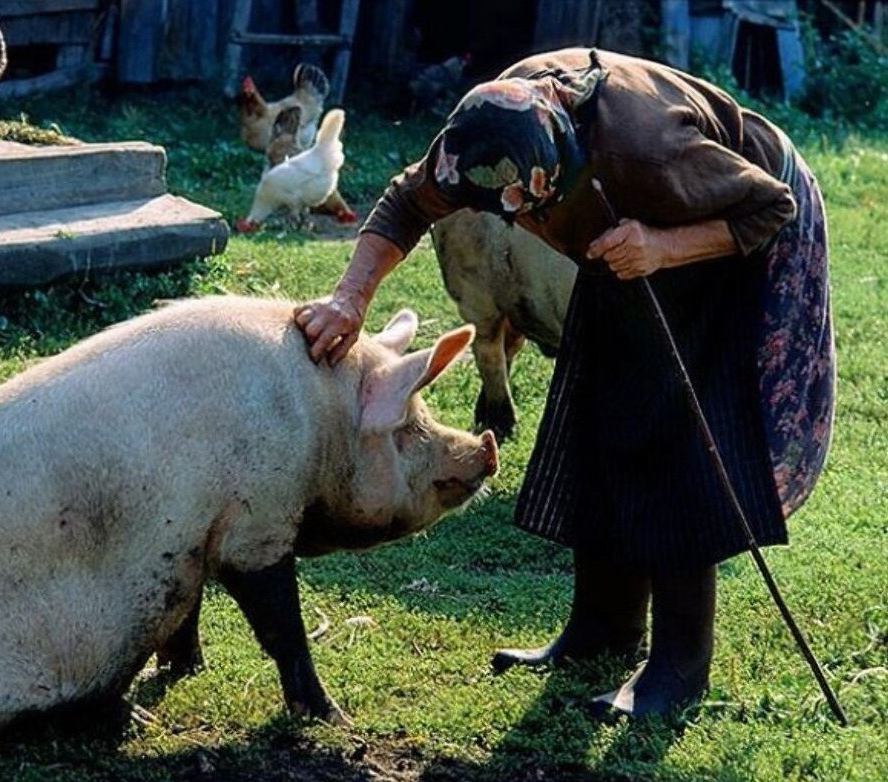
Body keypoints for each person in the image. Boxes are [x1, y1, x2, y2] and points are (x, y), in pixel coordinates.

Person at [294, 48, 834, 718]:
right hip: (626, 232)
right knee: (598, 404)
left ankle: (679, 667)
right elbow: (407, 204)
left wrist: (664, 247)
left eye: (531, 206)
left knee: (672, 432)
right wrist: (350, 299)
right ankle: (602, 628)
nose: (521, 222)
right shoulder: (477, 136)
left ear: (566, 161)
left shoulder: (649, 147)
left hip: (722, 222)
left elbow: (768, 205)